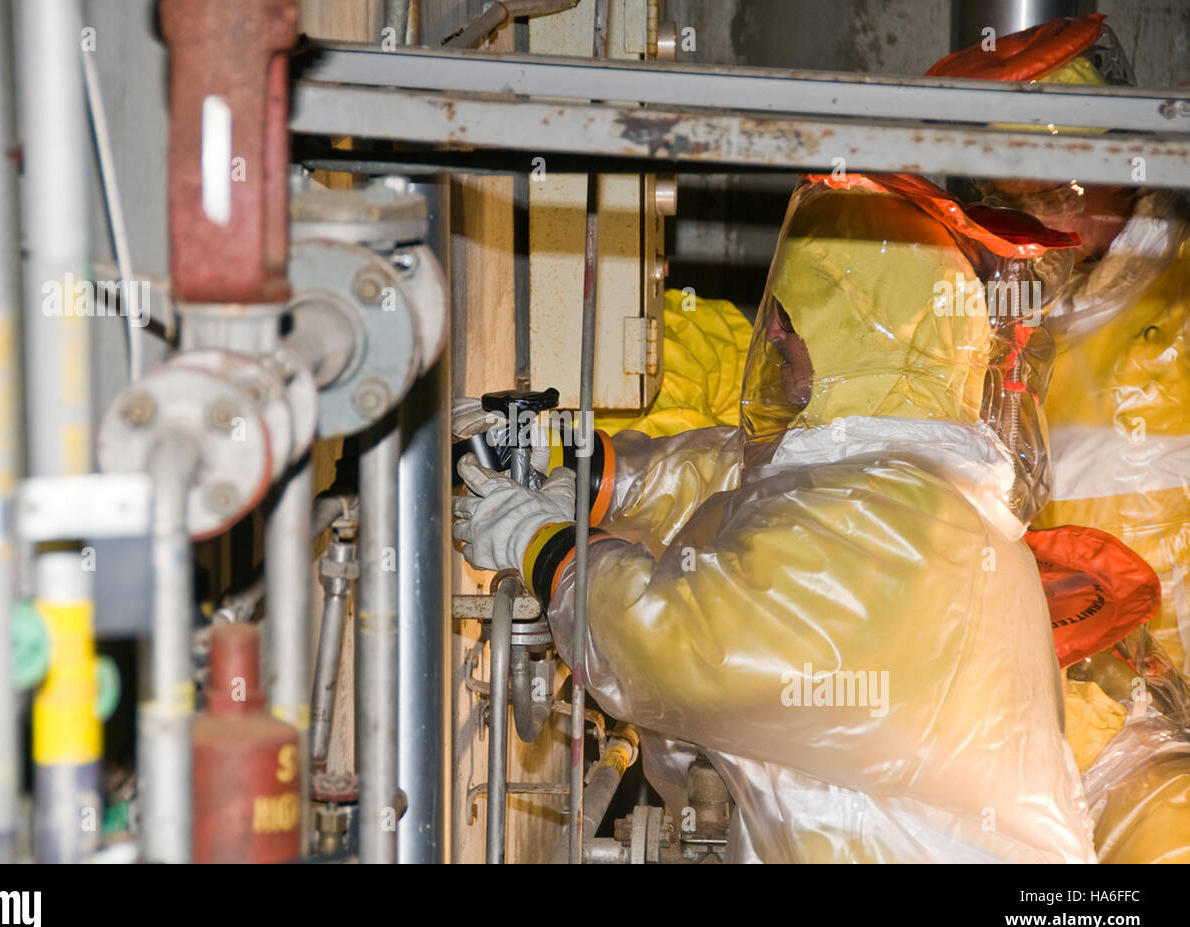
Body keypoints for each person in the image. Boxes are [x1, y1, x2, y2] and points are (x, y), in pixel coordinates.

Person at [453, 169, 1095, 862]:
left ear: (854, 337)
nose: (780, 339)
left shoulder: (901, 527)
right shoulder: (911, 483)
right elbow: (749, 490)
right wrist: (592, 472)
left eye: (794, 322)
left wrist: (548, 549)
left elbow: (690, 650)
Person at [928, 11, 1190, 865]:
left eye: (1065, 185)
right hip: (1040, 716)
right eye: (1023, 194)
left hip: (1157, 733)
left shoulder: (1176, 295)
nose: (1048, 216)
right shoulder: (978, 301)